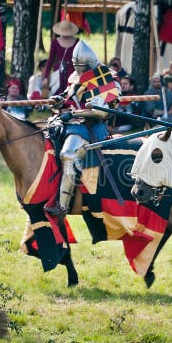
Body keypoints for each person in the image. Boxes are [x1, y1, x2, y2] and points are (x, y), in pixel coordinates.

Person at [44, 39, 118, 217]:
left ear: (90, 64)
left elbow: (103, 113)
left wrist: (75, 114)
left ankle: (61, 206)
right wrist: (59, 99)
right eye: (77, 66)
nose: (79, 71)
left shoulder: (105, 79)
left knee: (68, 154)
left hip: (91, 127)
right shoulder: (77, 77)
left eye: (82, 67)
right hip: (71, 124)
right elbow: (70, 94)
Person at [42, 19, 79, 96]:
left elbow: (81, 60)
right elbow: (50, 60)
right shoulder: (55, 42)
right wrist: (45, 76)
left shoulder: (77, 42)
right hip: (58, 74)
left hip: (73, 73)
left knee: (71, 94)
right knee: (57, 94)